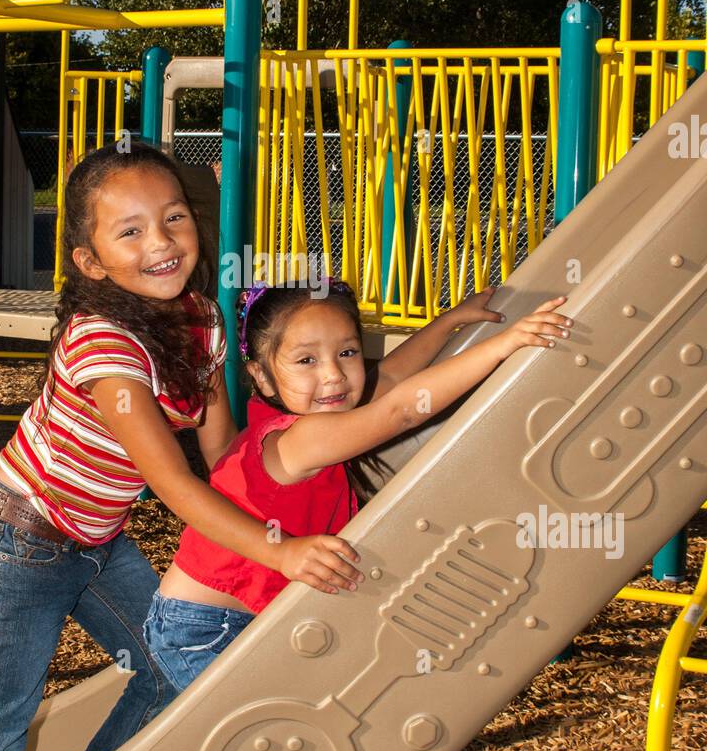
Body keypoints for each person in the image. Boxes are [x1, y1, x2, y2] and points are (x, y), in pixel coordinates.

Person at [0, 141, 361, 751]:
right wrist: (279, 553)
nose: (161, 242)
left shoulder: (202, 321)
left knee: (167, 668)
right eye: (130, 231)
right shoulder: (104, 346)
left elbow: (223, 460)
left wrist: (274, 518)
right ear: (91, 261)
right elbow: (175, 483)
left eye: (174, 219)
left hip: (96, 541)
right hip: (18, 542)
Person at [144, 278, 573, 691]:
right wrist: (502, 346)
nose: (333, 375)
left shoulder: (312, 419)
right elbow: (400, 410)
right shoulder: (301, 439)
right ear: (262, 376)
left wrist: (449, 322)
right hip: (207, 628)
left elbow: (386, 380)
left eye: (347, 352)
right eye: (306, 360)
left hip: (213, 617)